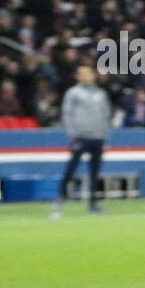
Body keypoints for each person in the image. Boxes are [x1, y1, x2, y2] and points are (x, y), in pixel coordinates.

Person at [52, 65, 112, 217]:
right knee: (72, 167)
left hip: (98, 136)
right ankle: (61, 196)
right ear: (77, 77)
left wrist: (104, 134)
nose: (86, 76)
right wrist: (73, 133)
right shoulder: (73, 93)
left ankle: (93, 203)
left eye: (88, 73)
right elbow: (67, 113)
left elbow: (106, 114)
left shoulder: (100, 93)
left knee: (95, 172)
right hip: (81, 136)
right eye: (82, 74)